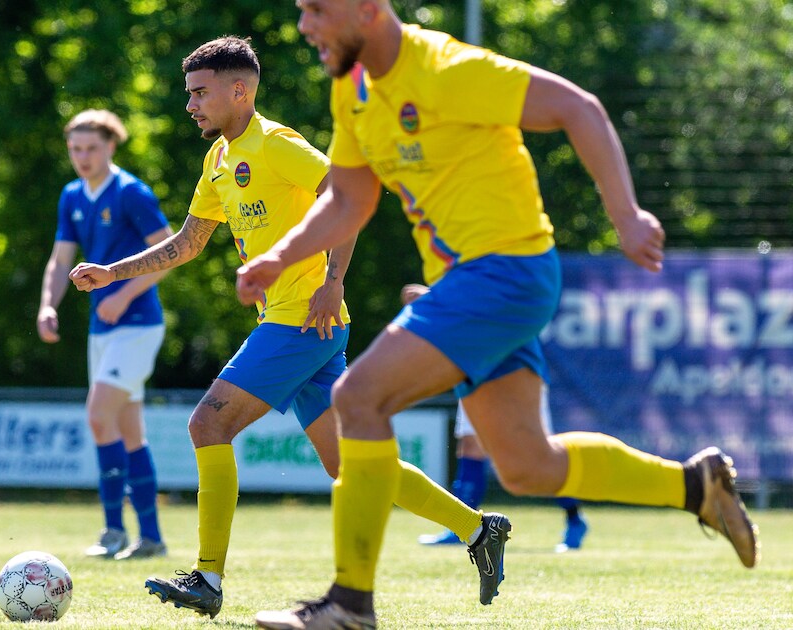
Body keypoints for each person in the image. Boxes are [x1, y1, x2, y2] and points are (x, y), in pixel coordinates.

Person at [241, 3, 760, 627]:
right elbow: (349, 199)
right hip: (476, 285)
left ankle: (350, 604)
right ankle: (694, 485)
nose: (305, 26)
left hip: (504, 273)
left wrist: (624, 214)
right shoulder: (351, 91)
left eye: (318, 10)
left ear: (367, 9)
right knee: (527, 466)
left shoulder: (444, 66)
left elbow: (579, 108)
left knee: (358, 398)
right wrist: (280, 256)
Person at [70, 36, 499, 621]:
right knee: (349, 465)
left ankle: (208, 577)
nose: (190, 104)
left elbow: (347, 193)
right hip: (297, 323)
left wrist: (333, 280)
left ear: (239, 90)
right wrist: (112, 272)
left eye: (200, 93)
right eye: (188, 93)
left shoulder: (275, 144)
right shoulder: (218, 160)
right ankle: (478, 529)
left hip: (303, 316)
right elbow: (190, 243)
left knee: (208, 422)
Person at [37, 109, 173, 561]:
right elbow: (60, 260)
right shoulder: (71, 194)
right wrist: (48, 304)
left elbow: (171, 251)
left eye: (91, 147)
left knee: (98, 416)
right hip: (104, 328)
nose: (83, 157)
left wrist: (121, 293)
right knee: (129, 432)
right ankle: (148, 537)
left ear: (111, 145)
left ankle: (114, 530)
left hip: (137, 325)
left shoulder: (131, 192)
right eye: (75, 148)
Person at [400, 284, 588, 553]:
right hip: (476, 372)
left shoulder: (506, 266)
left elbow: (490, 310)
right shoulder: (462, 262)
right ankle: (464, 526)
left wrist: (431, 298)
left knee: (538, 459)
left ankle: (575, 518)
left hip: (516, 372)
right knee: (471, 445)